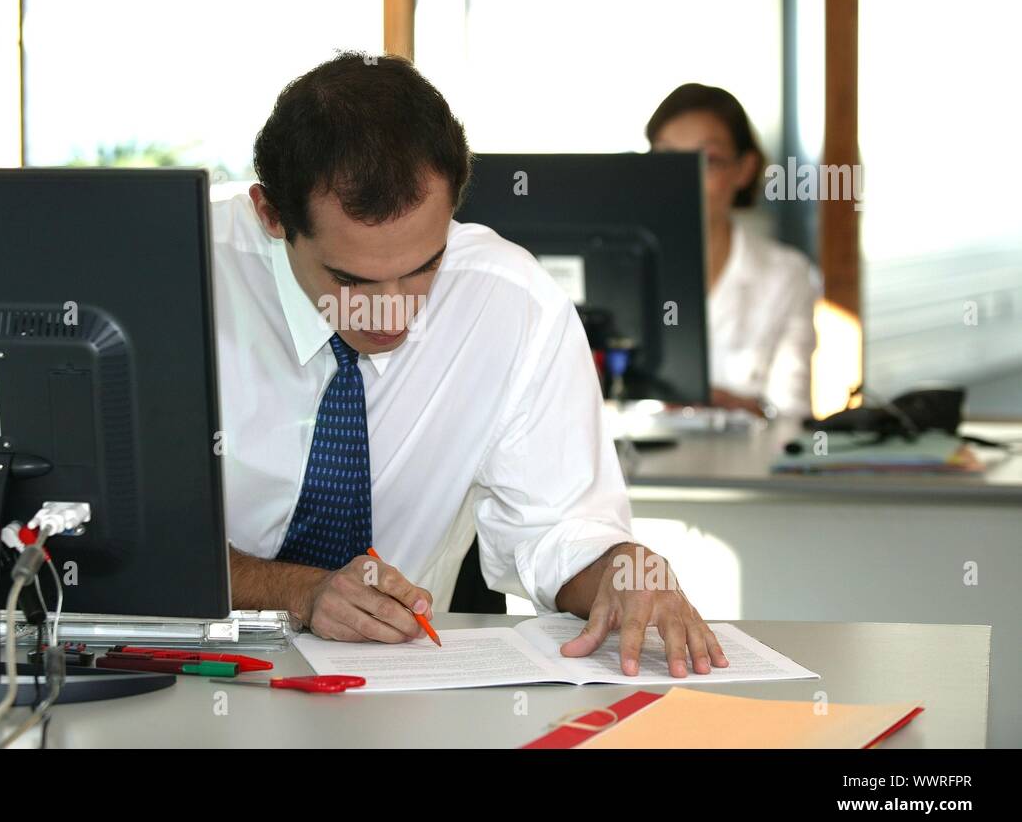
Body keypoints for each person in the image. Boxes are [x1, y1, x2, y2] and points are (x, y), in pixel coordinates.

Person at [214, 53, 727, 678]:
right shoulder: (183, 272)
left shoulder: (511, 301)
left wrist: (621, 570)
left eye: (423, 267)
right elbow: (120, 541)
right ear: (270, 214)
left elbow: (555, 530)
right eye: (351, 280)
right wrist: (297, 590)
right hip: (172, 664)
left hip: (390, 685)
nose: (391, 313)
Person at [648, 83, 820, 419]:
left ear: (744, 169)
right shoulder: (624, 269)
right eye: (667, 160)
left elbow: (793, 415)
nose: (684, 179)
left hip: (745, 469)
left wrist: (743, 408)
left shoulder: (786, 276)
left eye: (708, 160)